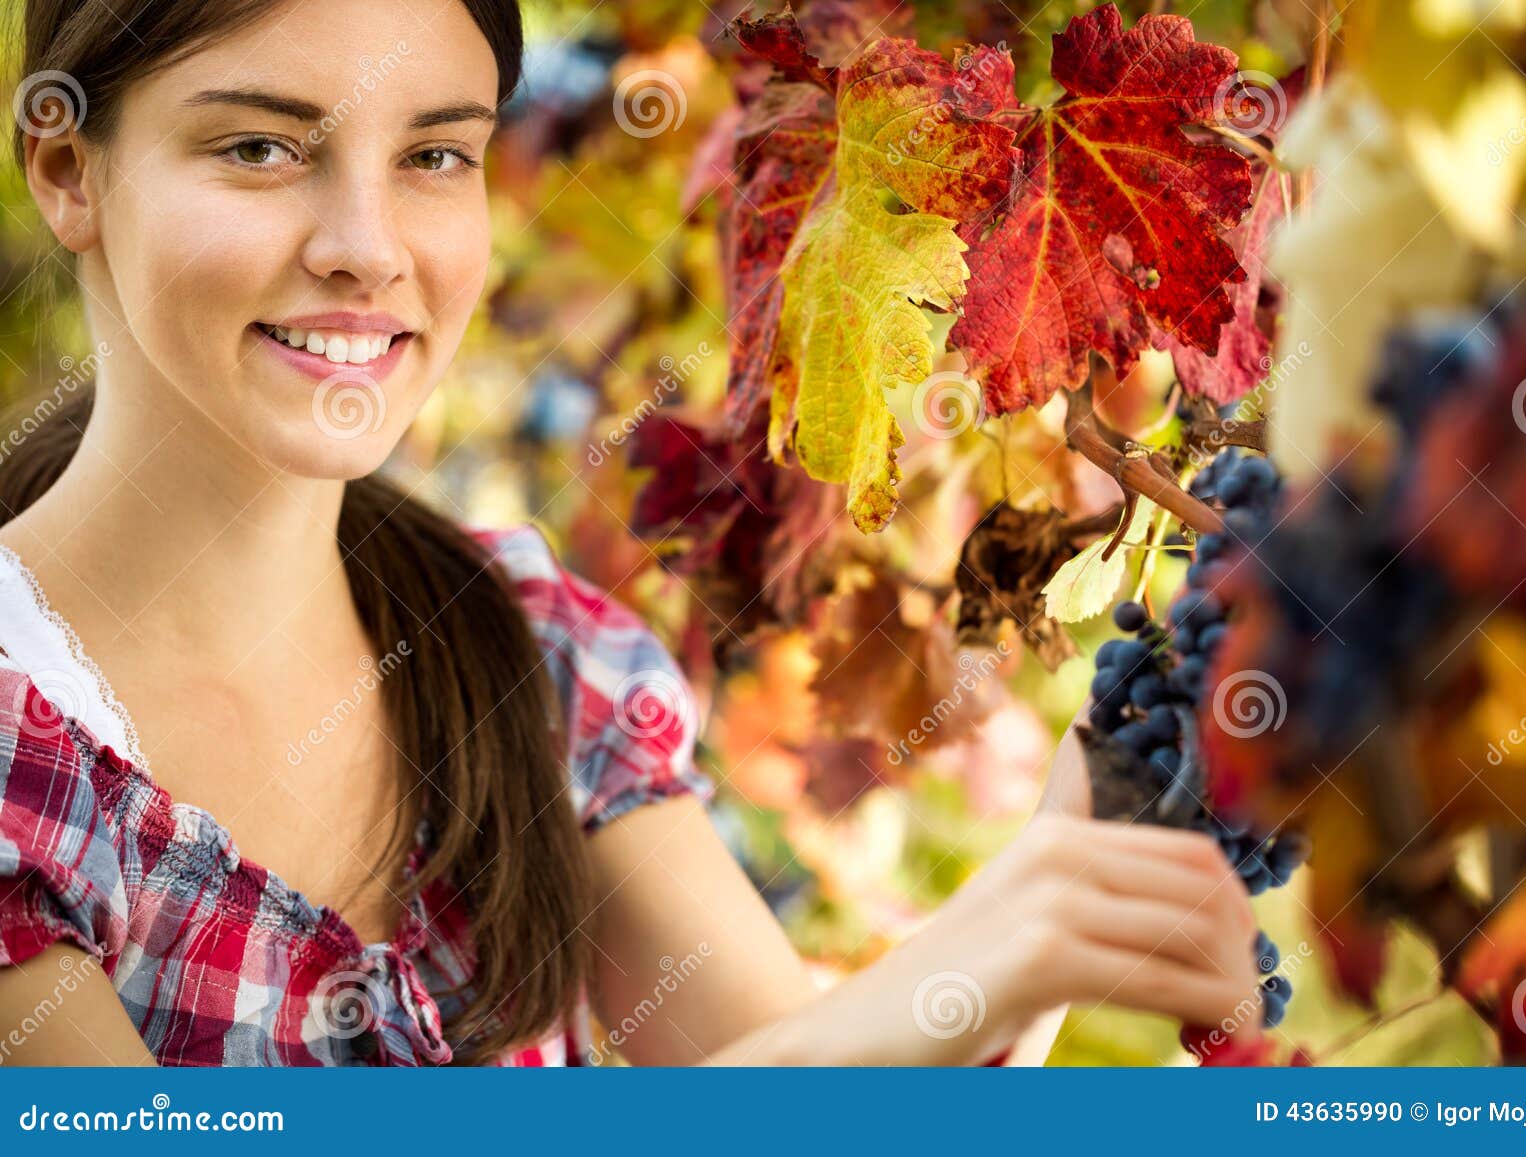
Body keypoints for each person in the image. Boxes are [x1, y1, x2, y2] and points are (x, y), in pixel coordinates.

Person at [0, 0, 1260, 1066]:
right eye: (263, 148)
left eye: (434, 157)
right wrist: (987, 948)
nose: (367, 249)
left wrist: (1059, 866)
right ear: (66, 169)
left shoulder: (532, 654)